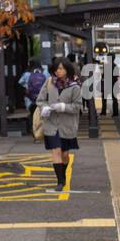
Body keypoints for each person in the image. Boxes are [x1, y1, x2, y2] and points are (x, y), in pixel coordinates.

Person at [35, 57, 83, 189]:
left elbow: (78, 106)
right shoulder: (49, 82)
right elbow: (40, 100)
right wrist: (44, 107)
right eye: (56, 69)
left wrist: (63, 107)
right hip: (51, 124)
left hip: (67, 126)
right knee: (56, 151)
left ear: (67, 69)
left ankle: (63, 174)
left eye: (61, 68)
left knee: (65, 154)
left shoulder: (75, 86)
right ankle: (60, 182)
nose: (58, 71)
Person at [24, 62, 47, 138]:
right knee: (42, 117)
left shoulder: (29, 76)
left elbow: (27, 91)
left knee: (33, 116)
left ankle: (34, 133)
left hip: (32, 101)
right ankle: (42, 133)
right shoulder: (44, 75)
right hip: (42, 101)